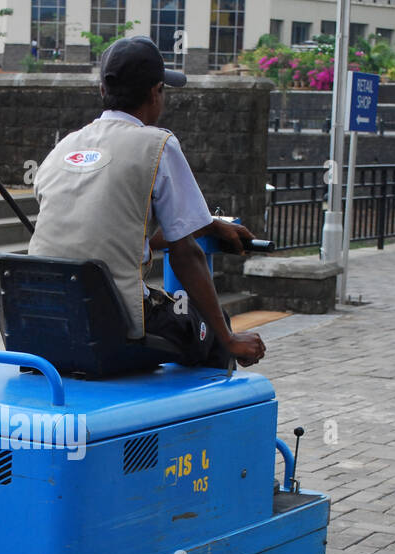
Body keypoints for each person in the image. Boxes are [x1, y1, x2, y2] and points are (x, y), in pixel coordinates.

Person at [27, 36, 265, 369]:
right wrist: (230, 338)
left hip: (44, 318)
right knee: (212, 325)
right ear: (156, 92)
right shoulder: (157, 146)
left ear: (102, 90)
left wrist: (207, 225)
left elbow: (117, 232)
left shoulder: (64, 147)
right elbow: (185, 255)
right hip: (114, 324)